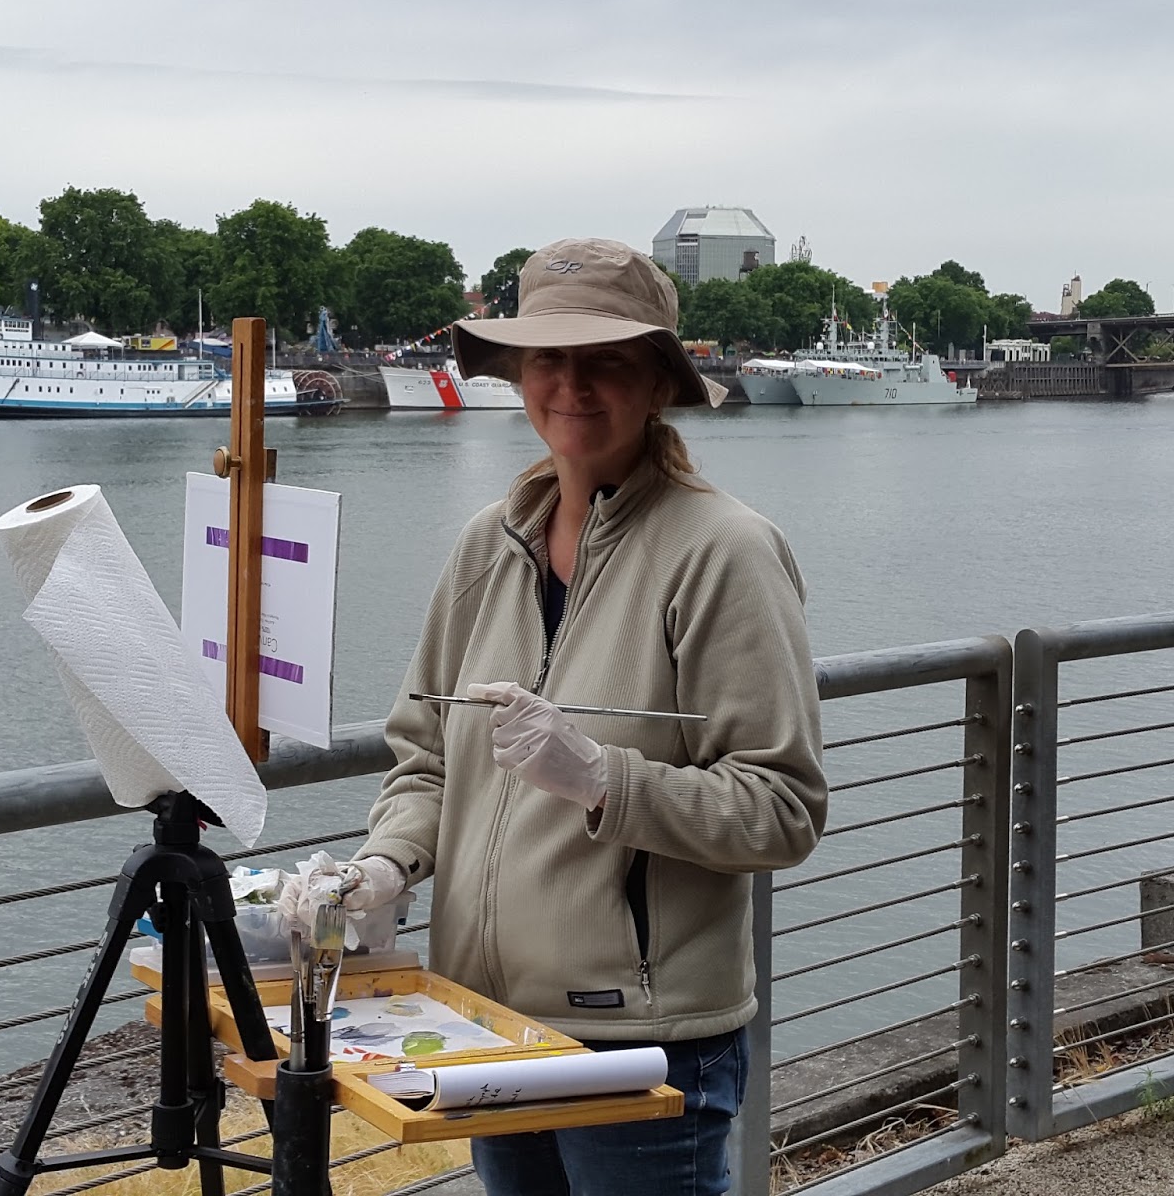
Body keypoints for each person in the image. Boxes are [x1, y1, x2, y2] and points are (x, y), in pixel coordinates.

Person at [339, 238, 827, 1195]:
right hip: (485, 1021)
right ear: (518, 373)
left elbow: (782, 809)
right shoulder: (489, 543)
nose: (571, 384)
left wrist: (605, 780)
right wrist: (386, 864)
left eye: (605, 359)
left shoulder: (723, 551)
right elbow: (426, 753)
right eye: (548, 357)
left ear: (659, 382)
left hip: (642, 1041)